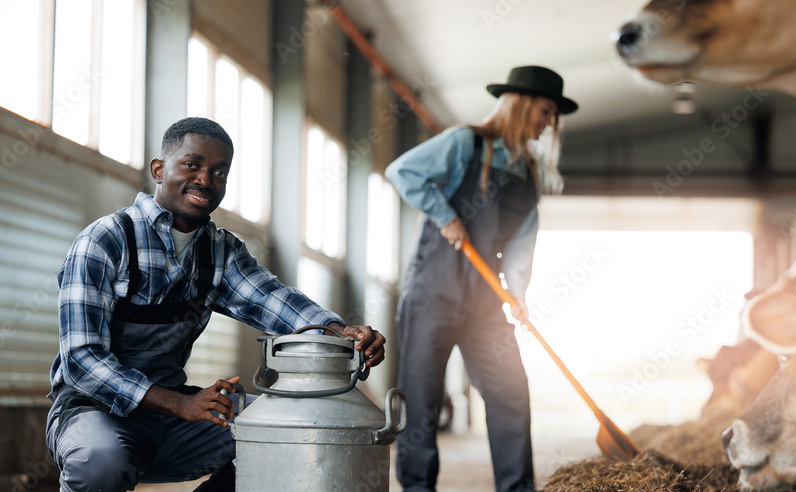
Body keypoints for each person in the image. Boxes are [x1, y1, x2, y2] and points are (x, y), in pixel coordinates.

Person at [46, 117, 386, 491]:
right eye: (192, 165)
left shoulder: (220, 251)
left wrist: (341, 332)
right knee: (101, 461)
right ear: (159, 170)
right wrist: (181, 405)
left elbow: (273, 300)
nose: (206, 180)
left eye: (219, 172)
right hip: (94, 413)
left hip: (172, 423)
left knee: (289, 426)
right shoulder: (105, 241)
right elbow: (81, 359)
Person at [386, 66, 578, 492]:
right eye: (546, 111)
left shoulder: (529, 176)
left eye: (553, 118)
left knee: (511, 389)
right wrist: (446, 216)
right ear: (522, 104)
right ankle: (418, 487)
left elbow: (520, 246)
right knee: (422, 402)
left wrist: (518, 294)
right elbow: (402, 171)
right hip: (433, 293)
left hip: (485, 302)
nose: (549, 123)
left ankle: (517, 487)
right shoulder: (465, 143)